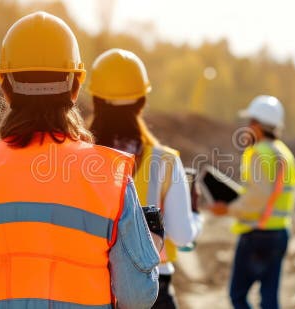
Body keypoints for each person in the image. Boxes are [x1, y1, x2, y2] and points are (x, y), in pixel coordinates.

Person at [0, 12, 160, 308]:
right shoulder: (110, 176)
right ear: (75, 87)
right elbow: (137, 297)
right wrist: (152, 246)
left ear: (5, 88)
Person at [88, 48, 202, 309]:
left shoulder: (74, 160)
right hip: (153, 288)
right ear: (141, 101)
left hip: (93, 289)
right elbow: (182, 236)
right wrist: (196, 216)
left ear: (95, 99)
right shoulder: (166, 162)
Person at [211, 95, 295, 309]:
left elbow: (257, 198)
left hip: (257, 234)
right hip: (280, 232)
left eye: (250, 123)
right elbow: (268, 194)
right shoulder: (285, 154)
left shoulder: (259, 153)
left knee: (238, 296)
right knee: (269, 299)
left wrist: (228, 209)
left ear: (257, 125)